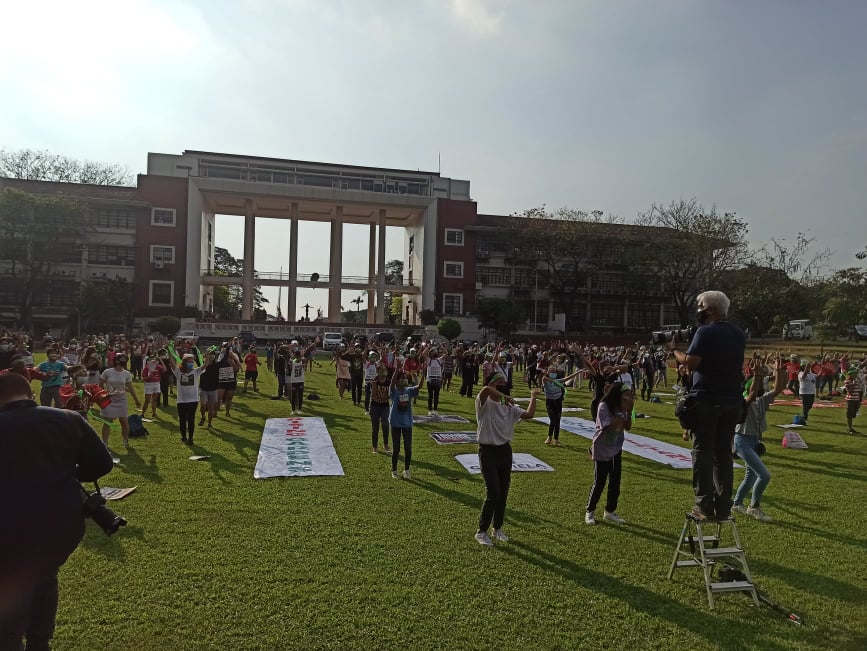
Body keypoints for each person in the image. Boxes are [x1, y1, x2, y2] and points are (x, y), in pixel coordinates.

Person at [0, 373, 114, 651]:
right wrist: (67, 474)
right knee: (45, 574)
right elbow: (101, 463)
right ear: (30, 393)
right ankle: (40, 642)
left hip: (8, 528)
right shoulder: (67, 419)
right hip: (60, 525)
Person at [670, 290, 746, 521]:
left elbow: (691, 363)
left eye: (701, 306)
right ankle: (724, 505)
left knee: (702, 453)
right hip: (732, 401)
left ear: (710, 309)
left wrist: (674, 350)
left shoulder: (705, 331)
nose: (699, 310)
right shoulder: (738, 333)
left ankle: (703, 505)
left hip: (707, 400)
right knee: (723, 454)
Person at [473, 376, 539, 546]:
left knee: (503, 492)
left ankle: (497, 528)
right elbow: (486, 390)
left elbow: (529, 414)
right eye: (497, 383)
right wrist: (503, 397)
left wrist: (533, 396)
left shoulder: (509, 407)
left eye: (502, 384)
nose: (500, 386)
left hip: (504, 451)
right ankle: (481, 532)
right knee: (493, 493)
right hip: (487, 451)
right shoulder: (484, 403)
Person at [732, 356, 786, 523]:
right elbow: (753, 392)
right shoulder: (743, 402)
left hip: (754, 441)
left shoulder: (761, 401)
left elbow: (779, 388)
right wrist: (756, 376)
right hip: (742, 441)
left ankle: (737, 503)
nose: (763, 385)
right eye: (759, 384)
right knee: (764, 475)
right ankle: (754, 507)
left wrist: (779, 370)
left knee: (751, 475)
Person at [584, 381, 633, 525]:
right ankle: (590, 511)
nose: (628, 398)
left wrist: (629, 412)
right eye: (626, 395)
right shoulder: (603, 406)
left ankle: (610, 511)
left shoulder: (622, 407)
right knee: (599, 482)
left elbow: (627, 427)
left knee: (615, 482)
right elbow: (609, 426)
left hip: (616, 448)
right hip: (602, 448)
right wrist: (623, 411)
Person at [388, 367, 425, 479]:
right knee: (396, 448)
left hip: (407, 424)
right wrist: (397, 370)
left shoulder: (409, 390)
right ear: (397, 381)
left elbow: (419, 386)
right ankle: (394, 470)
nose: (404, 380)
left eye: (405, 378)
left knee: (408, 448)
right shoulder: (394, 391)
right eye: (401, 378)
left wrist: (422, 375)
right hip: (395, 424)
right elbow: (391, 384)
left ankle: (406, 470)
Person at [100, 354, 142, 449]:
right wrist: (101, 397)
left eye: (125, 359)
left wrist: (136, 400)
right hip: (109, 399)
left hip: (121, 399)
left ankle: (125, 439)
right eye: (122, 359)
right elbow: (100, 386)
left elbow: (130, 388)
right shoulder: (107, 372)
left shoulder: (126, 374)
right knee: (107, 421)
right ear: (116, 361)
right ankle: (105, 442)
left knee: (124, 420)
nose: (124, 361)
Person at [169, 352, 209, 444]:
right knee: (182, 420)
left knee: (191, 419)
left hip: (193, 400)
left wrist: (207, 355)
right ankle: (183, 437)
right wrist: (169, 351)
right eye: (189, 362)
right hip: (181, 401)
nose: (192, 364)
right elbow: (172, 363)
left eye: (192, 362)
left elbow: (205, 365)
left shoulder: (196, 371)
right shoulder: (178, 372)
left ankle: (190, 438)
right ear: (185, 363)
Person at [843, 368, 863, 434]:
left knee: (853, 414)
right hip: (850, 400)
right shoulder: (847, 381)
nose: (855, 375)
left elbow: (858, 390)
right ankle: (849, 428)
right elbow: (849, 391)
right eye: (854, 374)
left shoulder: (855, 380)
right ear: (850, 374)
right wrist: (853, 384)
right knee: (849, 415)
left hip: (856, 399)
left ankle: (851, 428)